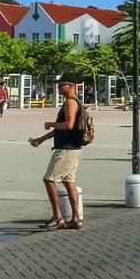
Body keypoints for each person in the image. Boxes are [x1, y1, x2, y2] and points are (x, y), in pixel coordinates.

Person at [28, 81, 84, 230]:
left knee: (49, 179)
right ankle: (76, 219)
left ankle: (58, 217)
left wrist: (51, 123)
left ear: (71, 86)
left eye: (62, 85)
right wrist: (42, 138)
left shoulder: (71, 103)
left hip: (66, 149)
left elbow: (68, 125)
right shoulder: (72, 102)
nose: (59, 88)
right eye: (58, 86)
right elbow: (62, 128)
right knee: (68, 182)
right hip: (72, 148)